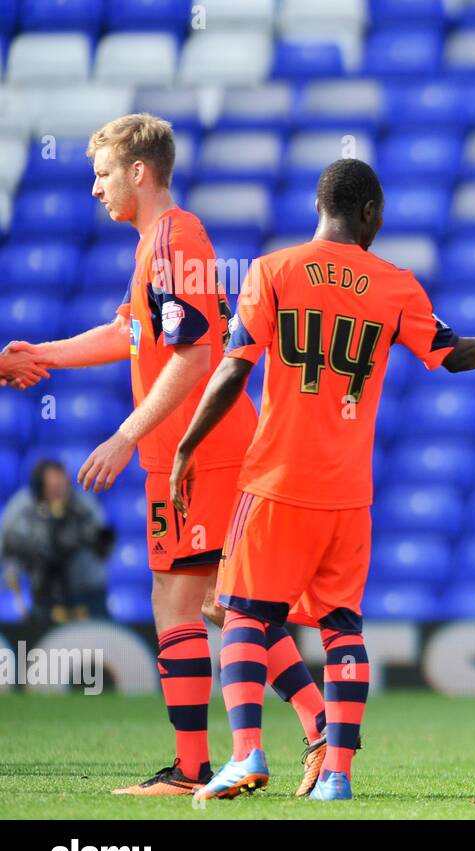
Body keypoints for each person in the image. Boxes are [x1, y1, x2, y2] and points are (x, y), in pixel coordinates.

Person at [175, 158, 475, 801]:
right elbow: (455, 356)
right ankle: (338, 777)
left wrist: (188, 444)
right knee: (342, 625)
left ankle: (245, 755)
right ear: (371, 213)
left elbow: (235, 368)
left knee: (241, 614)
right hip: (348, 492)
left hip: (275, 479)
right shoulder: (394, 284)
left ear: (318, 206)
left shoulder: (273, 271)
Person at [6, 113, 329, 797]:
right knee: (221, 601)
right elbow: (128, 331)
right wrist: (42, 355)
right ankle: (319, 726)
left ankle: (192, 769)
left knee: (178, 604)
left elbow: (196, 352)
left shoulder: (177, 237)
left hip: (198, 452)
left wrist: (125, 433)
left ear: (138, 171)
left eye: (102, 174)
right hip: (186, 455)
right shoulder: (155, 244)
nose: (96, 190)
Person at [0, 460, 113, 623]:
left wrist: (79, 537)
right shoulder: (22, 507)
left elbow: (104, 544)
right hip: (43, 594)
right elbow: (7, 543)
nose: (59, 493)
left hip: (85, 592)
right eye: (53, 488)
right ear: (39, 487)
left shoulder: (83, 505)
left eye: (63, 486)